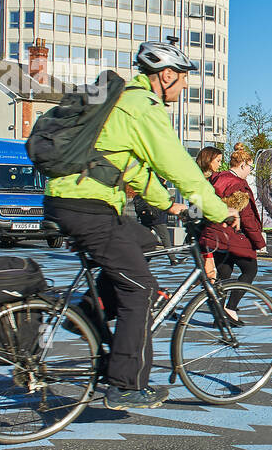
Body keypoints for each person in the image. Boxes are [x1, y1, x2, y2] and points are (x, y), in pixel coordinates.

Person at [43, 42, 237, 411]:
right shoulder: (143, 108)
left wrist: (170, 204)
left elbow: (132, 168)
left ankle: (89, 310)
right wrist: (217, 209)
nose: (183, 88)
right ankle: (125, 384)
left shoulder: (122, 104)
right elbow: (177, 165)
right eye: (183, 80)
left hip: (77, 201)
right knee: (141, 292)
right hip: (88, 206)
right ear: (166, 75)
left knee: (145, 242)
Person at [200, 144, 267, 322]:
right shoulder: (238, 185)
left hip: (213, 234)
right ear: (243, 164)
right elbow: (247, 218)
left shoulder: (217, 178)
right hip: (230, 234)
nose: (250, 171)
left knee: (225, 273)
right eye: (250, 167)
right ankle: (230, 308)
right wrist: (259, 242)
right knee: (250, 269)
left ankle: (219, 315)